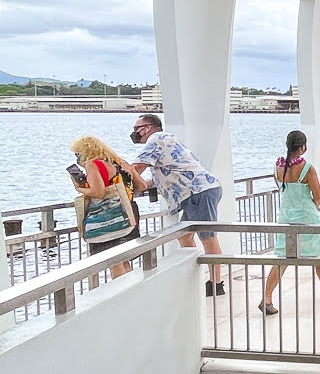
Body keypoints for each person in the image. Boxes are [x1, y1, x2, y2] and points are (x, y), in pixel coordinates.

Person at [128, 114, 224, 290]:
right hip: (197, 191)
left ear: (147, 128)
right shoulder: (167, 139)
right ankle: (195, 277)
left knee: (208, 237)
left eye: (136, 129)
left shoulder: (155, 139)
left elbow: (137, 168)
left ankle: (216, 283)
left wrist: (122, 184)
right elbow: (161, 175)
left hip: (197, 191)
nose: (134, 133)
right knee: (185, 236)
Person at [259, 130, 320, 314]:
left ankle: (267, 297)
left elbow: (281, 187)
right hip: (307, 217)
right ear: (303, 147)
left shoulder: (277, 167)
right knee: (319, 255)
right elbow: (317, 195)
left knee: (284, 258)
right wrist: (315, 207)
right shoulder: (307, 168)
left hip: (286, 217)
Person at [68, 136, 139, 278]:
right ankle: (134, 292)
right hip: (124, 214)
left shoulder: (92, 165)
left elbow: (98, 192)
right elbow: (138, 185)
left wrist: (79, 188)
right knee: (123, 260)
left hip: (106, 219)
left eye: (78, 153)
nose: (78, 157)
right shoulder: (114, 162)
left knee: (114, 262)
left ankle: (122, 295)